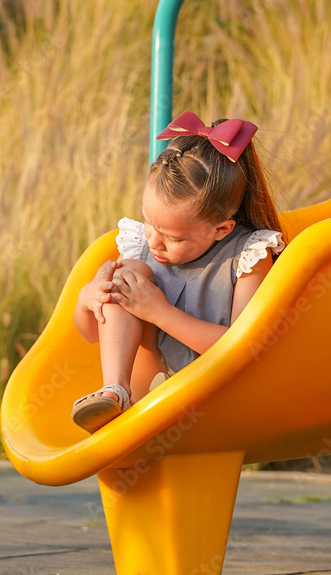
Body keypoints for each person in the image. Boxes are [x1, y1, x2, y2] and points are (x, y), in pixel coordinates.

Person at [71, 111, 286, 432]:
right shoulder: (142, 249)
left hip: (214, 399)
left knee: (133, 280)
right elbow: (91, 334)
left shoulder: (248, 256)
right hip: (147, 395)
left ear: (221, 229)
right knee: (128, 273)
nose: (154, 242)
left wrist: (159, 312)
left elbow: (245, 350)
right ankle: (115, 391)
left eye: (174, 238)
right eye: (148, 223)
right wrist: (89, 300)